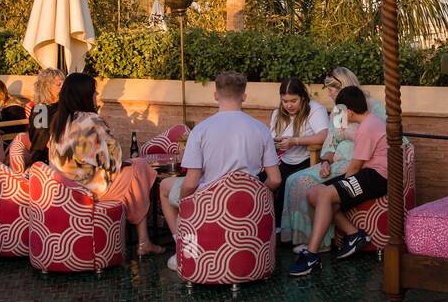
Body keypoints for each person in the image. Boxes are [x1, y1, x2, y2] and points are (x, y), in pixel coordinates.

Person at [160, 71, 281, 272]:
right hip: (246, 203)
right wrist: (256, 193)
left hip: (208, 203)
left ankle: (183, 246)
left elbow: (191, 183)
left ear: (215, 95)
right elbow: (275, 180)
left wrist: (184, 205)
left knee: (165, 187)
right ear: (244, 96)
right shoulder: (261, 129)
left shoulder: (201, 130)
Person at [46, 72, 163, 259]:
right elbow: (114, 161)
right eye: (94, 92)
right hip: (89, 191)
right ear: (85, 95)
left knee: (135, 173)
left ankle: (143, 240)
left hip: (65, 190)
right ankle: (144, 240)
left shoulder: (59, 122)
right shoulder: (90, 121)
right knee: (139, 167)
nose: (96, 96)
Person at [280, 67, 387, 252]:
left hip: (358, 161)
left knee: (305, 183)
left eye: (331, 89)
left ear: (343, 86)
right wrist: (326, 161)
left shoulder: (370, 108)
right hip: (336, 161)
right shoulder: (339, 111)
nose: (328, 93)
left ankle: (318, 244)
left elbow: (382, 136)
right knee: (293, 180)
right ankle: (300, 239)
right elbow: (332, 140)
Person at [267, 77, 330, 229]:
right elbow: (270, 136)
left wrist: (295, 141)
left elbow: (324, 135)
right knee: (261, 180)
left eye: (293, 101)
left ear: (302, 97)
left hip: (307, 160)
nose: (289, 105)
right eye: (285, 101)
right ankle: (266, 224)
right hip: (282, 159)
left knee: (285, 184)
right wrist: (276, 142)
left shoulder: (314, 109)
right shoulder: (278, 113)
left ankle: (281, 229)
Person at [24, 68, 64, 167]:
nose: (63, 87)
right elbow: (39, 141)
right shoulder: (41, 110)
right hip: (44, 160)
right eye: (59, 84)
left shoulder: (64, 105)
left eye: (64, 83)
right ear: (46, 87)